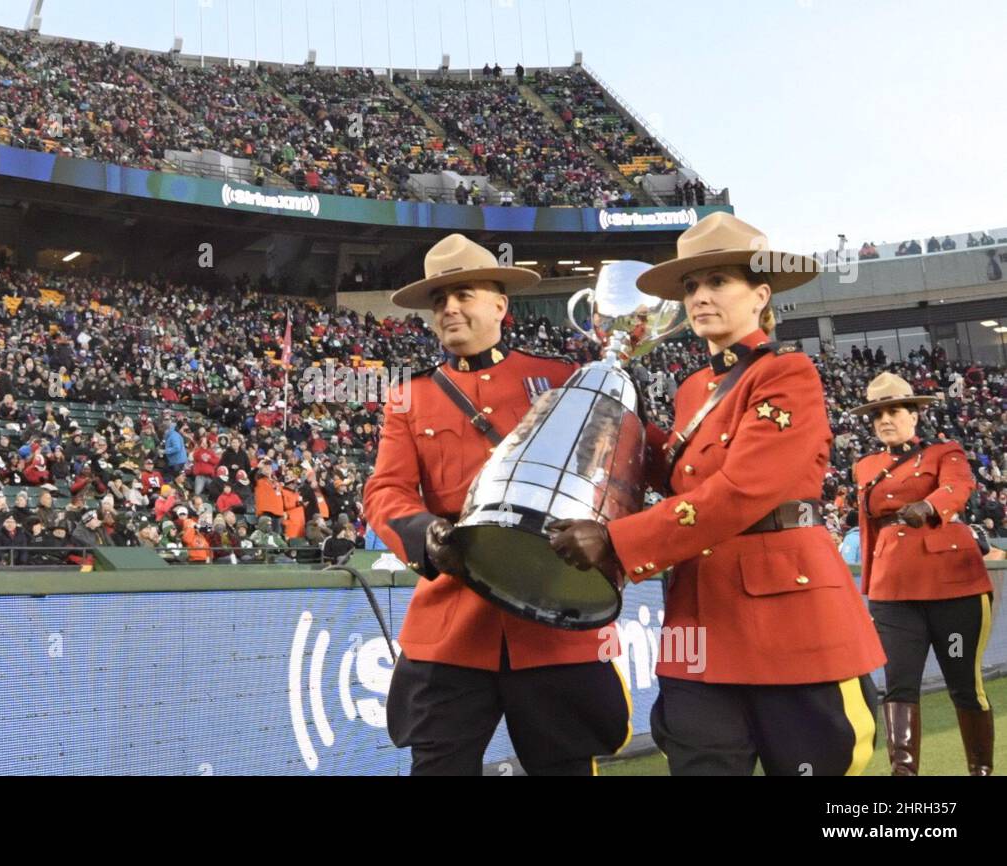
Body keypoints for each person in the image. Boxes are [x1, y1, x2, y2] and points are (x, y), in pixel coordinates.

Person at [549, 213, 885, 775]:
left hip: (787, 617)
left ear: (760, 296)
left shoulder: (788, 372)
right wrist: (609, 410)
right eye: (690, 286)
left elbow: (741, 490)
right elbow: (679, 473)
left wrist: (616, 540)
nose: (700, 296)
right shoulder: (692, 389)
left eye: (718, 282)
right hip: (699, 621)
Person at [364, 233, 629, 776]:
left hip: (554, 615)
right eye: (439, 300)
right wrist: (425, 537)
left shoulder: (563, 380)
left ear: (500, 305)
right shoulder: (408, 397)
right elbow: (384, 491)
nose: (450, 308)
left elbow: (613, 480)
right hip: (453, 623)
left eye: (464, 293)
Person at [849, 372, 995, 776]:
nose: (885, 420)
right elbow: (869, 529)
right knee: (898, 685)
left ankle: (980, 771)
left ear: (914, 413)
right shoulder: (865, 466)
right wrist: (870, 583)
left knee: (965, 686)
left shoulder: (945, 452)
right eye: (877, 414)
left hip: (953, 586)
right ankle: (904, 773)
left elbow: (957, 488)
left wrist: (929, 508)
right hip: (893, 591)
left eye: (893, 410)